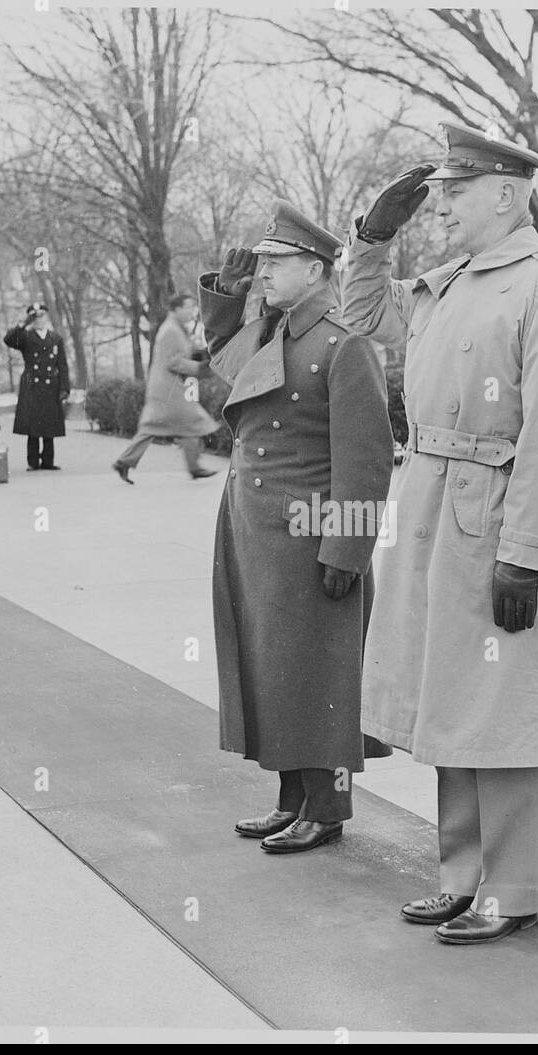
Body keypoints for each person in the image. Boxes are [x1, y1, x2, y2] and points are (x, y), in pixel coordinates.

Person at [344, 123, 538, 944]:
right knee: (452, 701)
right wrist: (372, 240)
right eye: (439, 191)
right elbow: (360, 322)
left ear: (504, 194)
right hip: (429, 504)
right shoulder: (449, 281)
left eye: (455, 190)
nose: (440, 205)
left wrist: (524, 553)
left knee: (505, 707)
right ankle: (459, 875)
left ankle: (512, 887)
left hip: (494, 516)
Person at [202, 199, 394, 853]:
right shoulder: (275, 334)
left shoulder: (345, 344)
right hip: (256, 536)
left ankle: (327, 806)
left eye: (277, 263)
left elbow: (366, 461)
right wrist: (226, 298)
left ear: (315, 269)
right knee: (273, 669)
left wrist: (348, 548)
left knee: (319, 676)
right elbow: (225, 363)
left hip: (312, 539)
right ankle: (291, 798)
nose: (266, 274)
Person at [112, 294, 218, 482]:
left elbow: (181, 352)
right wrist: (200, 368)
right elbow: (173, 361)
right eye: (188, 307)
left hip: (168, 388)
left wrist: (199, 354)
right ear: (176, 309)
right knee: (192, 422)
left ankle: (124, 461)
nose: (192, 311)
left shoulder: (175, 328)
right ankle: (194, 467)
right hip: (169, 389)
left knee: (159, 426)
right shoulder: (171, 330)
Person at [4, 302, 69, 470]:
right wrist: (23, 323)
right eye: (35, 317)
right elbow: (9, 340)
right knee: (33, 426)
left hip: (50, 385)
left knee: (49, 424)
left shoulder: (55, 338)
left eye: (41, 316)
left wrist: (64, 388)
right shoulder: (25, 336)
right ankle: (33, 462)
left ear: (46, 317)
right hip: (32, 384)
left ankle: (48, 461)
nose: (39, 320)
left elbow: (62, 364)